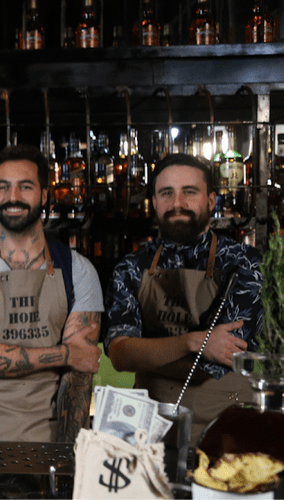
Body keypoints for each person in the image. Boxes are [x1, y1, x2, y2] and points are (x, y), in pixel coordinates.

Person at [0, 144, 102, 443]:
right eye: (3, 187)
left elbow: (77, 378)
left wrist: (67, 458)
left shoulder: (78, 270)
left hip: (51, 438)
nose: (13, 197)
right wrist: (65, 353)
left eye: (25, 187)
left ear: (44, 194)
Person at [103, 153, 263, 446]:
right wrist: (197, 341)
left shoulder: (244, 262)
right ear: (154, 202)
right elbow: (120, 355)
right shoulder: (131, 267)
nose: (177, 203)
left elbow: (226, 357)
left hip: (227, 424)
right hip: (150, 428)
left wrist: (147, 353)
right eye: (167, 193)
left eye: (189, 192)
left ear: (211, 200)